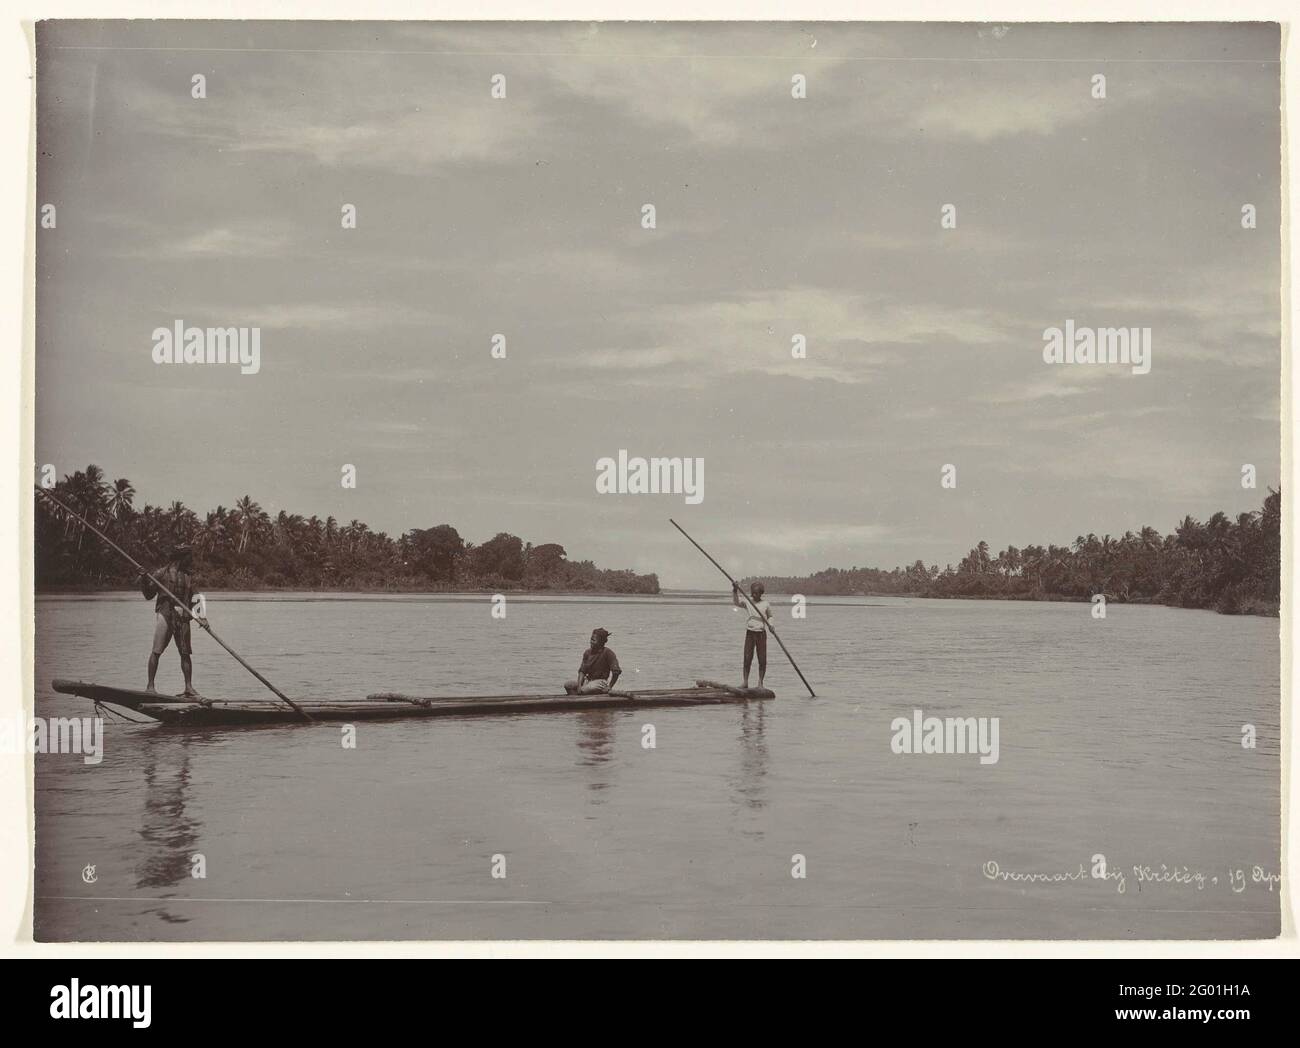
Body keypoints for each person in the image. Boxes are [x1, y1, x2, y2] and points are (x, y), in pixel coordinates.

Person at [139, 543, 205, 698]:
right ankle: (150, 686)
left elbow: (196, 597)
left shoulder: (188, 576)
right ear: (182, 557)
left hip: (183, 617)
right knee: (157, 651)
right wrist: (143, 578)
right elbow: (148, 595)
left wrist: (203, 617)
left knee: (185, 653)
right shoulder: (161, 573)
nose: (191, 559)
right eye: (189, 556)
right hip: (165, 614)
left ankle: (188, 687)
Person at [734, 581, 773, 689]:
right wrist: (735, 590)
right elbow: (736, 603)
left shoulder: (765, 604)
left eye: (757, 593)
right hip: (750, 633)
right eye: (753, 593)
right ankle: (745, 682)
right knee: (747, 658)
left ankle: (760, 683)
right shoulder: (748, 602)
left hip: (761, 633)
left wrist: (771, 625)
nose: (754, 595)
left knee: (762, 659)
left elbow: (770, 616)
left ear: (760, 593)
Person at [564, 628, 622, 694]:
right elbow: (582, 671)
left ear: (601, 642)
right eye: (591, 639)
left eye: (594, 640)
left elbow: (616, 672)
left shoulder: (608, 653)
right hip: (588, 681)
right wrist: (579, 686)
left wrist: (609, 687)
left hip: (600, 682)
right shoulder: (587, 652)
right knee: (568, 685)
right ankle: (577, 701)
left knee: (584, 689)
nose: (591, 642)